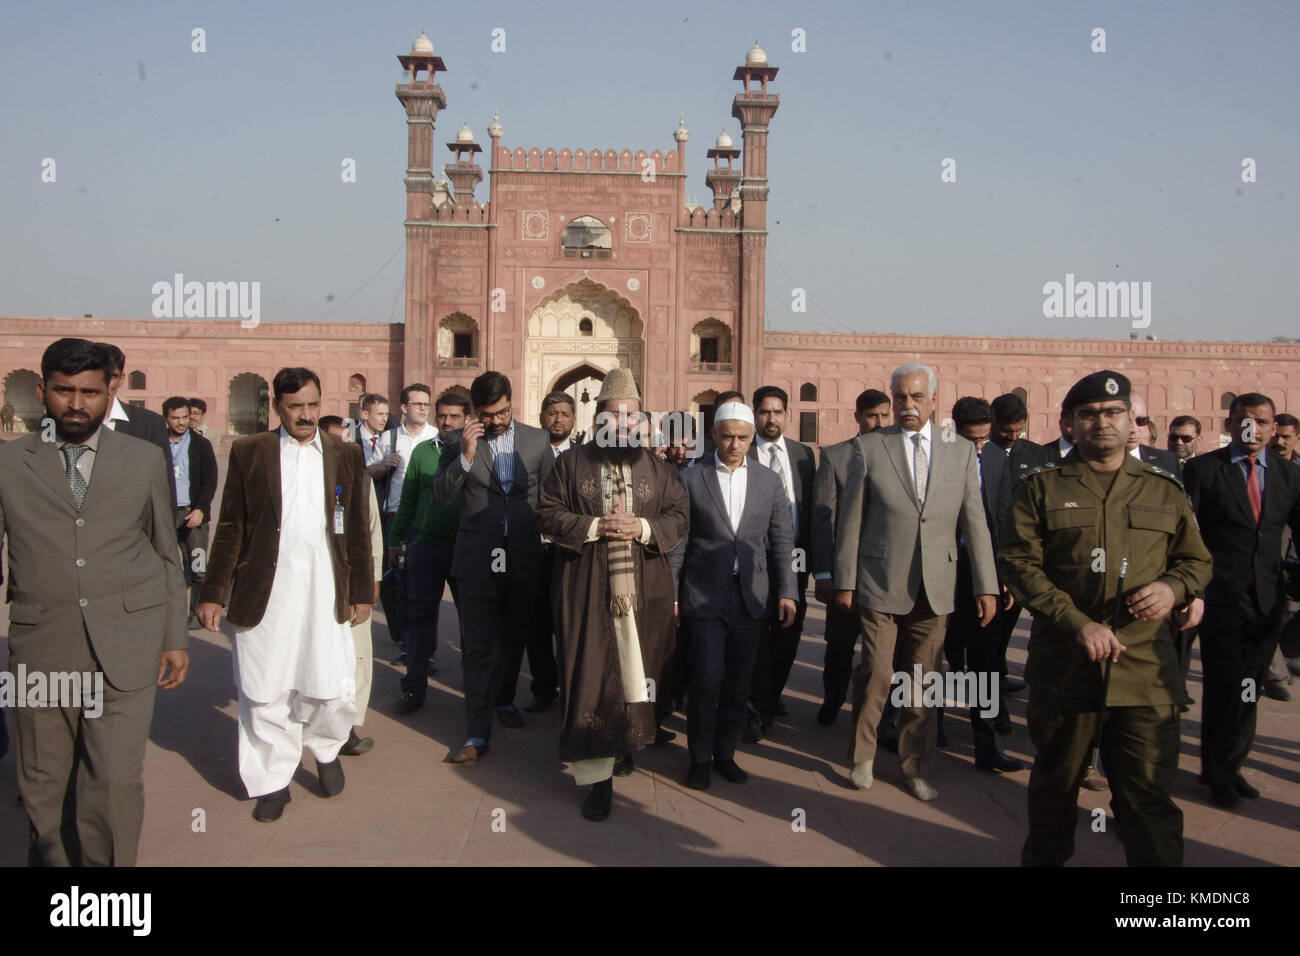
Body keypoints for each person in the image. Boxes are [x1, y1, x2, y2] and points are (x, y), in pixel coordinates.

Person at [1000, 370, 1210, 866]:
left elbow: (1197, 560)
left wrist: (1173, 587)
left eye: (1114, 413)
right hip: (1067, 668)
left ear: (1131, 420)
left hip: (1145, 674)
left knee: (1149, 802)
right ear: (1069, 423)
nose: (1103, 422)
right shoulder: (1041, 488)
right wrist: (1078, 623)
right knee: (1054, 795)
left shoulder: (1163, 489)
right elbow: (1018, 564)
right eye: (1089, 414)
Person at [0, 338, 189, 865]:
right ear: (43, 392)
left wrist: (175, 637)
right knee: (44, 783)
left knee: (114, 783)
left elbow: (165, 552)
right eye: (63, 391)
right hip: (42, 647)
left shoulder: (144, 459)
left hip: (127, 647)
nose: (76, 404)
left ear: (110, 392)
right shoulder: (9, 464)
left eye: (88, 392)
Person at [198, 367, 373, 822]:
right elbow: (231, 525)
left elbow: (354, 527)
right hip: (265, 590)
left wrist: (362, 591)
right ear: (277, 406)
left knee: (330, 682)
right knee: (263, 686)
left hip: (324, 586)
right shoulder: (250, 452)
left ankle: (325, 747)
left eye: (313, 405)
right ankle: (274, 780)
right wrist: (213, 591)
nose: (306, 415)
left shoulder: (344, 454)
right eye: (295, 406)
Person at [832, 362, 998, 801]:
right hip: (880, 580)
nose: (908, 405)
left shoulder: (960, 450)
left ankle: (915, 767)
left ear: (933, 400)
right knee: (877, 674)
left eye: (917, 397)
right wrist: (844, 579)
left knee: (924, 682)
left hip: (936, 584)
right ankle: (863, 757)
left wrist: (986, 585)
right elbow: (850, 520)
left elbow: (974, 521)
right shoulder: (870, 447)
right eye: (901, 397)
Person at [536, 370, 689, 820]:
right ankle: (595, 779)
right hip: (585, 591)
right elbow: (546, 513)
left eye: (631, 417)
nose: (622, 424)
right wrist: (596, 527)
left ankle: (625, 746)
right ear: (599, 416)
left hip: (644, 595)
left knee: (639, 675)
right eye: (614, 416)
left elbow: (679, 517)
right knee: (589, 682)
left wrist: (642, 527)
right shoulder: (569, 465)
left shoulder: (660, 470)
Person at [431, 371, 555, 764]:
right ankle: (476, 732)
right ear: (475, 412)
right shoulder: (457, 442)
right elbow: (441, 495)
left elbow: (552, 498)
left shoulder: (537, 441)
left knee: (511, 640)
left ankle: (502, 700)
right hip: (476, 560)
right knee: (478, 646)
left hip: (521, 559)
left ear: (512, 402)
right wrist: (466, 458)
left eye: (503, 412)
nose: (497, 420)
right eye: (488, 414)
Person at [1183, 392, 1300, 807]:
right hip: (1221, 597)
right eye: (1245, 420)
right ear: (1230, 424)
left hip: (1267, 601)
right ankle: (1217, 773)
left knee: (1251, 686)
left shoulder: (1289, 476)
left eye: (1263, 421)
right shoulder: (1203, 470)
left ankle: (1232, 763)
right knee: (1224, 683)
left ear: (1273, 428)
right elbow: (1187, 532)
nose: (1254, 428)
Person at [672, 401, 797, 790]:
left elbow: (780, 540)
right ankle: (699, 757)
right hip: (704, 595)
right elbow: (679, 542)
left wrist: (787, 591)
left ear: (751, 438)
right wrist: (674, 594)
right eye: (727, 436)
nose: (734, 444)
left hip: (751, 598)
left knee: (738, 683)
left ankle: (725, 754)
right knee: (706, 679)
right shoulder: (692, 479)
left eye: (743, 438)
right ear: (714, 435)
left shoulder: (767, 480)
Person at [943, 397, 1023, 773]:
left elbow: (1004, 519)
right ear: (955, 429)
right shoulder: (937, 456)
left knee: (985, 663)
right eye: (971, 439)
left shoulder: (994, 458)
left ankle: (987, 743)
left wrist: (1002, 576)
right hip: (940, 572)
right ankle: (932, 726)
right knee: (936, 656)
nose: (978, 447)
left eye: (983, 439)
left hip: (982, 573)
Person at [811, 387, 890, 726]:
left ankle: (877, 716)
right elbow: (823, 517)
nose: (880, 422)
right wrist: (825, 573)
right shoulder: (836, 456)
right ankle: (833, 698)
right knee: (840, 646)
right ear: (858, 416)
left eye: (885, 415)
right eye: (873, 415)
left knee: (883, 653)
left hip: (888, 576)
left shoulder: (902, 455)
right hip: (848, 573)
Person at [745, 385, 815, 740]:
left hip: (795, 560)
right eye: (764, 412)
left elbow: (814, 511)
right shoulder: (743, 452)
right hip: (755, 561)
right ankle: (756, 710)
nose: (771, 419)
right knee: (757, 635)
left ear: (787, 414)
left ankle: (769, 697)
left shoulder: (804, 455)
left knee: (789, 635)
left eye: (777, 412)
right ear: (755, 414)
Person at [389, 390, 467, 712]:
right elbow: (408, 500)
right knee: (420, 619)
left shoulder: (479, 452)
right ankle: (414, 688)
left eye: (455, 416)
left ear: (468, 419)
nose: (447, 422)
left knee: (472, 621)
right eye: (443, 416)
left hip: (465, 549)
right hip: (425, 546)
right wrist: (396, 540)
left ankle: (475, 687)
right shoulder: (423, 452)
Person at [321, 415, 383, 757]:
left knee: (357, 655)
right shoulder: (308, 476)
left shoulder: (359, 478)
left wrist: (372, 580)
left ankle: (348, 728)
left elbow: (372, 531)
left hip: (352, 578)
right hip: (317, 582)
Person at [519, 391, 576, 713]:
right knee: (536, 625)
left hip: (567, 552)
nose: (558, 419)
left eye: (564, 414)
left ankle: (572, 687)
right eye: (552, 413)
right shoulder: (525, 453)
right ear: (542, 417)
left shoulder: (582, 458)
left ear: (573, 419)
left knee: (569, 624)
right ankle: (543, 687)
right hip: (534, 550)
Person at [378, 385, 440, 657]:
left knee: (427, 591)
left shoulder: (438, 437)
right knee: (403, 588)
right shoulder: (389, 439)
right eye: (417, 404)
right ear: (403, 408)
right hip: (397, 521)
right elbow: (368, 472)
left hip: (426, 521)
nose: (423, 408)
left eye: (426, 404)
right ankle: (409, 645)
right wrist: (383, 466)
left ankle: (427, 649)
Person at [162, 396, 218, 629]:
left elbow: (210, 481)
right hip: (165, 513)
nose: (182, 422)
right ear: (166, 418)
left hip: (192, 513)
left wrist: (200, 509)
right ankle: (168, 614)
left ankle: (195, 613)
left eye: (185, 417)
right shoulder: (158, 444)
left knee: (197, 565)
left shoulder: (200, 444)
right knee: (164, 565)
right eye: (176, 418)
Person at [1127, 391, 1183, 475]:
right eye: (1127, 421)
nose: (1134, 429)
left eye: (1141, 421)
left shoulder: (1168, 461)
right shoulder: (1100, 463)